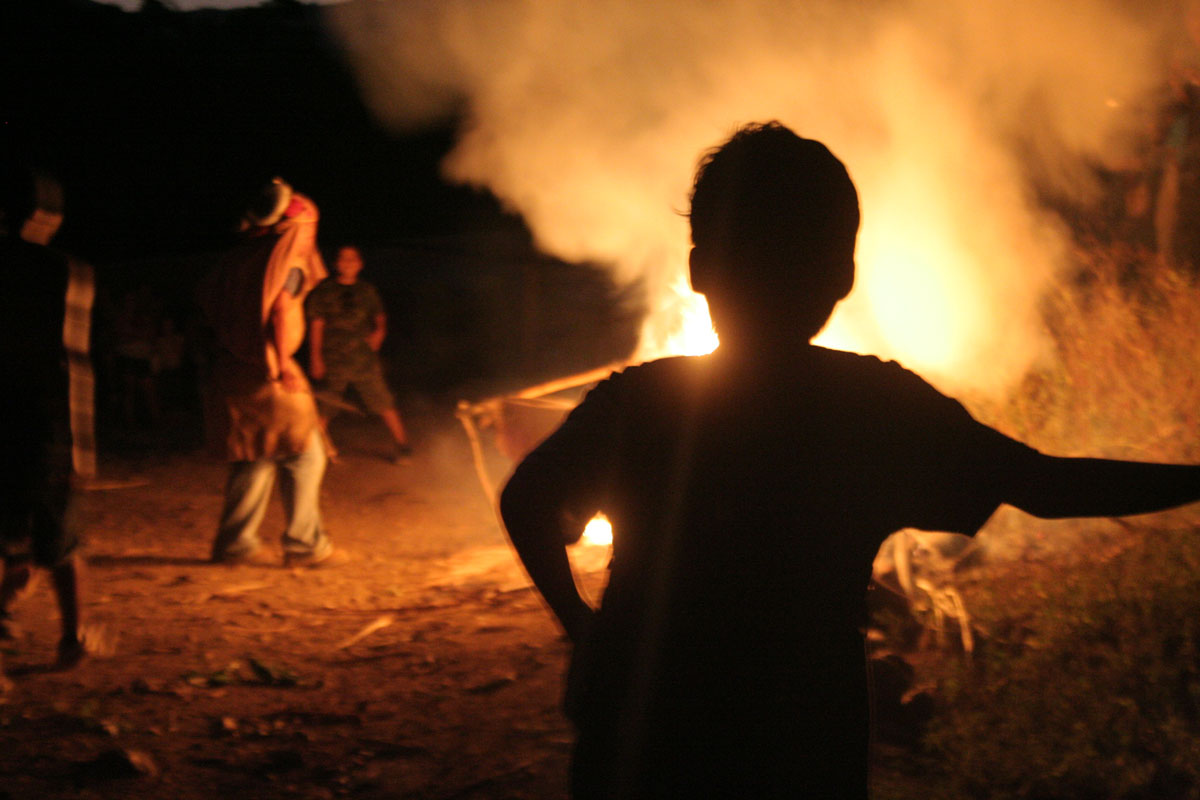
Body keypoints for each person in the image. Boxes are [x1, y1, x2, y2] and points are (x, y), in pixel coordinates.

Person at [499, 122, 1200, 798]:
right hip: (800, 742)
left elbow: (525, 500)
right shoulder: (873, 408)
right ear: (843, 273)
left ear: (699, 269)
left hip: (644, 738)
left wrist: (583, 628)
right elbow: (1049, 486)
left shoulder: (640, 401)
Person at [198, 178, 340, 568]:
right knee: (304, 454)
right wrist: (281, 368)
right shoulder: (286, 261)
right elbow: (281, 309)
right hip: (267, 371)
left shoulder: (238, 259)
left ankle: (235, 544)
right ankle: (305, 544)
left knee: (256, 453)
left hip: (232, 370)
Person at [0, 165, 94, 676]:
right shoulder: (63, 270)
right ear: (49, 216)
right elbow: (71, 360)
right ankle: (72, 639)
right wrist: (83, 448)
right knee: (62, 539)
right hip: (45, 425)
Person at [306, 244, 412, 463]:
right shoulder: (324, 291)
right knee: (325, 406)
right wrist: (315, 358)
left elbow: (379, 316)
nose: (348, 263)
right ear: (336, 264)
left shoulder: (367, 291)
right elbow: (316, 325)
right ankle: (310, 452)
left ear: (360, 264)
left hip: (364, 358)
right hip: (333, 358)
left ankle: (404, 447)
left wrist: (380, 332)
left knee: (384, 402)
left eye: (352, 259)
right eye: (343, 259)